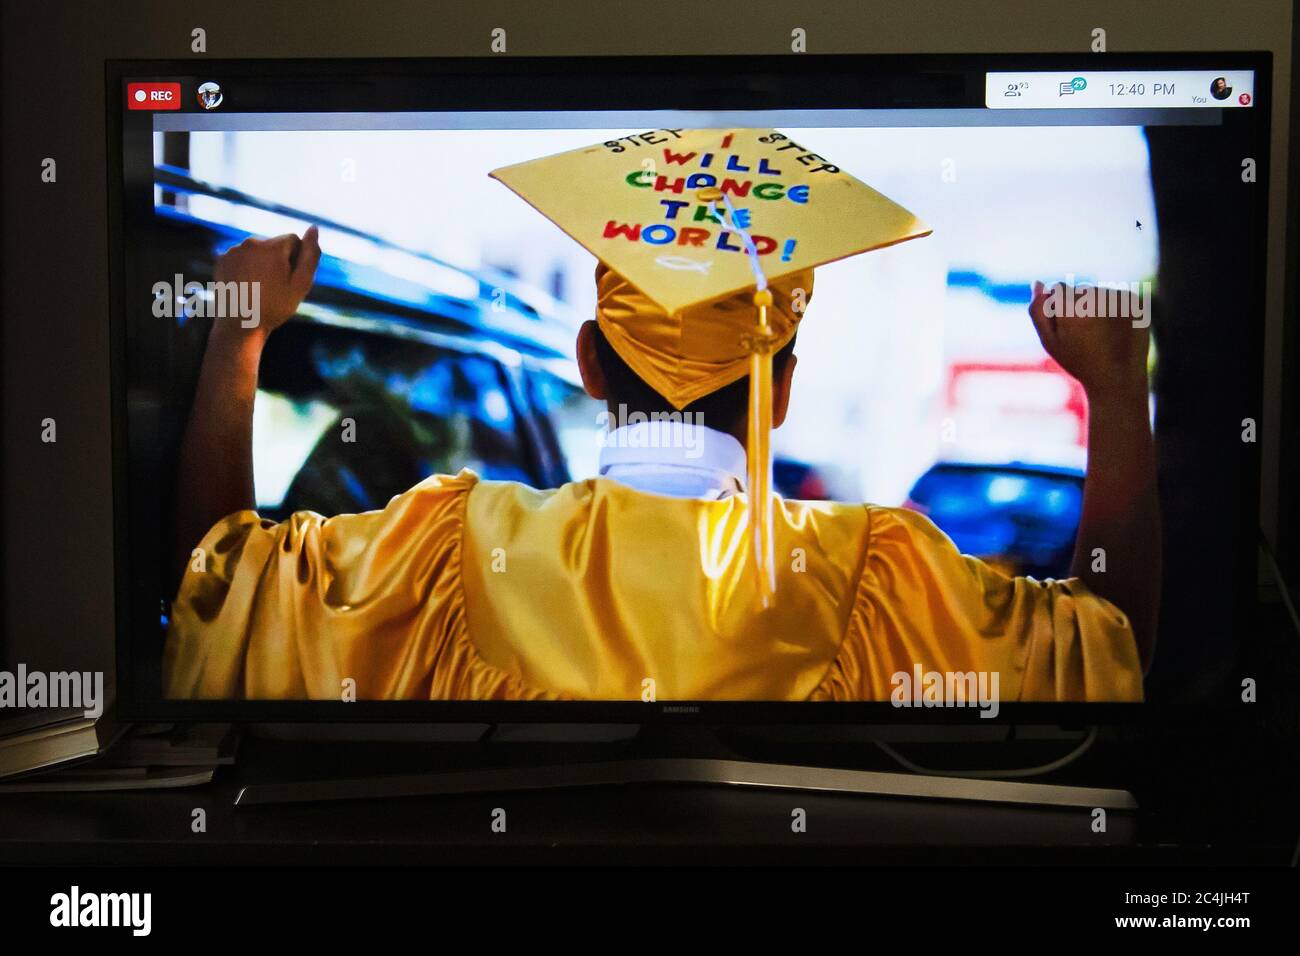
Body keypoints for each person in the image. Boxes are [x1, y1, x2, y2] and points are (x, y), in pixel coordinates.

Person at [164, 131, 1159, 703]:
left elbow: (217, 584)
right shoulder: (880, 573)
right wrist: (1115, 391)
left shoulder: (440, 546)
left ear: (590, 362)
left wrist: (236, 336)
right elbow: (1105, 643)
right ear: (786, 385)